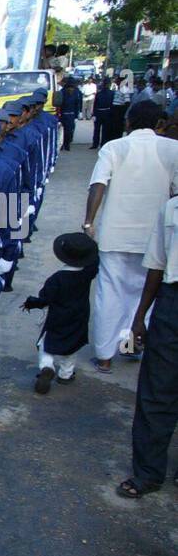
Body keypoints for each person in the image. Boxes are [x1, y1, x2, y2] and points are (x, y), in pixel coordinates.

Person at [83, 101, 178, 373]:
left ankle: (104, 356)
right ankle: (131, 346)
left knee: (110, 293)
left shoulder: (114, 148)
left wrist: (90, 221)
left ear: (128, 122)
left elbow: (98, 184)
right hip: (155, 236)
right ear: (159, 124)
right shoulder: (173, 149)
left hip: (116, 232)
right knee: (144, 294)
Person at [117, 194, 178, 498]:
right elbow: (157, 264)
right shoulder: (172, 208)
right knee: (157, 392)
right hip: (172, 303)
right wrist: (140, 317)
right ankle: (148, 472)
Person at [21, 233, 99, 394]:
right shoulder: (88, 273)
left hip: (56, 318)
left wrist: (30, 302)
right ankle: (66, 374)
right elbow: (95, 262)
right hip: (79, 316)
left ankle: (47, 367)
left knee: (46, 344)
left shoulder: (56, 279)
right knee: (71, 347)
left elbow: (45, 299)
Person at [0, 0, 37, 70]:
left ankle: (16, 66)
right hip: (11, 20)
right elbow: (6, 12)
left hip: (23, 20)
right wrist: (0, 25)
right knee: (8, 43)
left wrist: (30, 23)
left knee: (18, 43)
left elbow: (33, 11)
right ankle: (9, 63)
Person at [90, 77, 115, 149]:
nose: (106, 85)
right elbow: (95, 104)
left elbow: (112, 105)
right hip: (100, 112)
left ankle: (102, 144)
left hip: (107, 112)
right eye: (105, 84)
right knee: (97, 130)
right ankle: (96, 144)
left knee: (105, 130)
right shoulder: (99, 93)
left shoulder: (112, 93)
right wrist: (94, 114)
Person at [59, 79, 84, 150]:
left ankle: (67, 144)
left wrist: (77, 115)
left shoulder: (76, 93)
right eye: (69, 87)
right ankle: (62, 144)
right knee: (62, 131)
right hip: (63, 114)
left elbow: (77, 104)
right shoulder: (62, 93)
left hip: (71, 115)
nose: (71, 89)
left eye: (72, 87)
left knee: (70, 131)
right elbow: (59, 104)